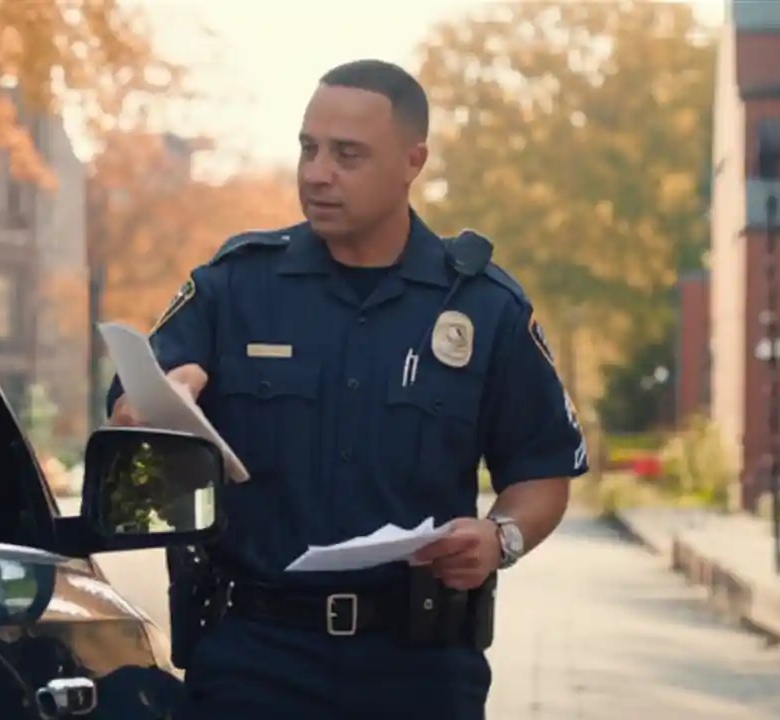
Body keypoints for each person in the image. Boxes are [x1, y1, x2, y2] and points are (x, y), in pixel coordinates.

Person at [107, 59, 587, 719]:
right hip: (253, 660)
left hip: (419, 670)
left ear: (412, 161)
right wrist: (153, 403)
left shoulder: (483, 309)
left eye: (347, 154)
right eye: (308, 148)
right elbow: (135, 401)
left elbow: (542, 472)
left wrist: (498, 538)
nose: (316, 173)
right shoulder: (236, 286)